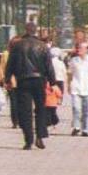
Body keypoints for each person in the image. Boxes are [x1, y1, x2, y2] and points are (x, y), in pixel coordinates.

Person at [5, 22, 56, 150]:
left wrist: (8, 79)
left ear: (26, 30)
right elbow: (49, 65)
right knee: (40, 109)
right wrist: (52, 82)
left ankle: (28, 140)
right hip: (39, 80)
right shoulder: (43, 46)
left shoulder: (17, 45)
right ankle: (40, 135)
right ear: (35, 31)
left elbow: (10, 64)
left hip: (23, 80)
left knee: (25, 111)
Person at [68, 42, 88, 136]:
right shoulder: (74, 60)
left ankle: (86, 129)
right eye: (78, 48)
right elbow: (69, 73)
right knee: (76, 108)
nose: (79, 50)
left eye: (81, 48)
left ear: (86, 50)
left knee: (87, 110)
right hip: (76, 87)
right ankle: (76, 127)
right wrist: (68, 85)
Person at [0, 37, 20, 128]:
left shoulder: (6, 54)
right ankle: (21, 120)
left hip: (10, 81)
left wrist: (1, 80)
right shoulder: (23, 53)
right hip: (22, 81)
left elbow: (1, 67)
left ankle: (15, 122)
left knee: (13, 102)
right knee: (22, 102)